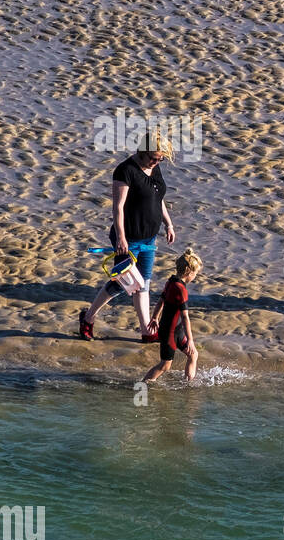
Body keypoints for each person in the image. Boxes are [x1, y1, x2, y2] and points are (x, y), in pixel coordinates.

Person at [79, 131, 177, 341]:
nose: (156, 162)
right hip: (128, 239)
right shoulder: (125, 171)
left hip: (149, 239)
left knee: (143, 283)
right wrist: (121, 238)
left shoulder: (155, 168)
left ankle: (146, 331)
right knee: (126, 284)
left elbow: (157, 198)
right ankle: (88, 319)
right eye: (153, 157)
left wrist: (168, 224)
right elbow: (118, 208)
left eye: (160, 159)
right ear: (142, 151)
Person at [142, 248, 202, 384]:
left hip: (177, 330)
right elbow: (185, 317)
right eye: (195, 274)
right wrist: (191, 340)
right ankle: (143, 384)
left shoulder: (171, 281)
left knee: (193, 355)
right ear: (189, 272)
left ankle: (188, 385)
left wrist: (154, 318)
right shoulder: (181, 290)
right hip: (170, 332)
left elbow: (161, 301)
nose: (195, 277)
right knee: (165, 365)